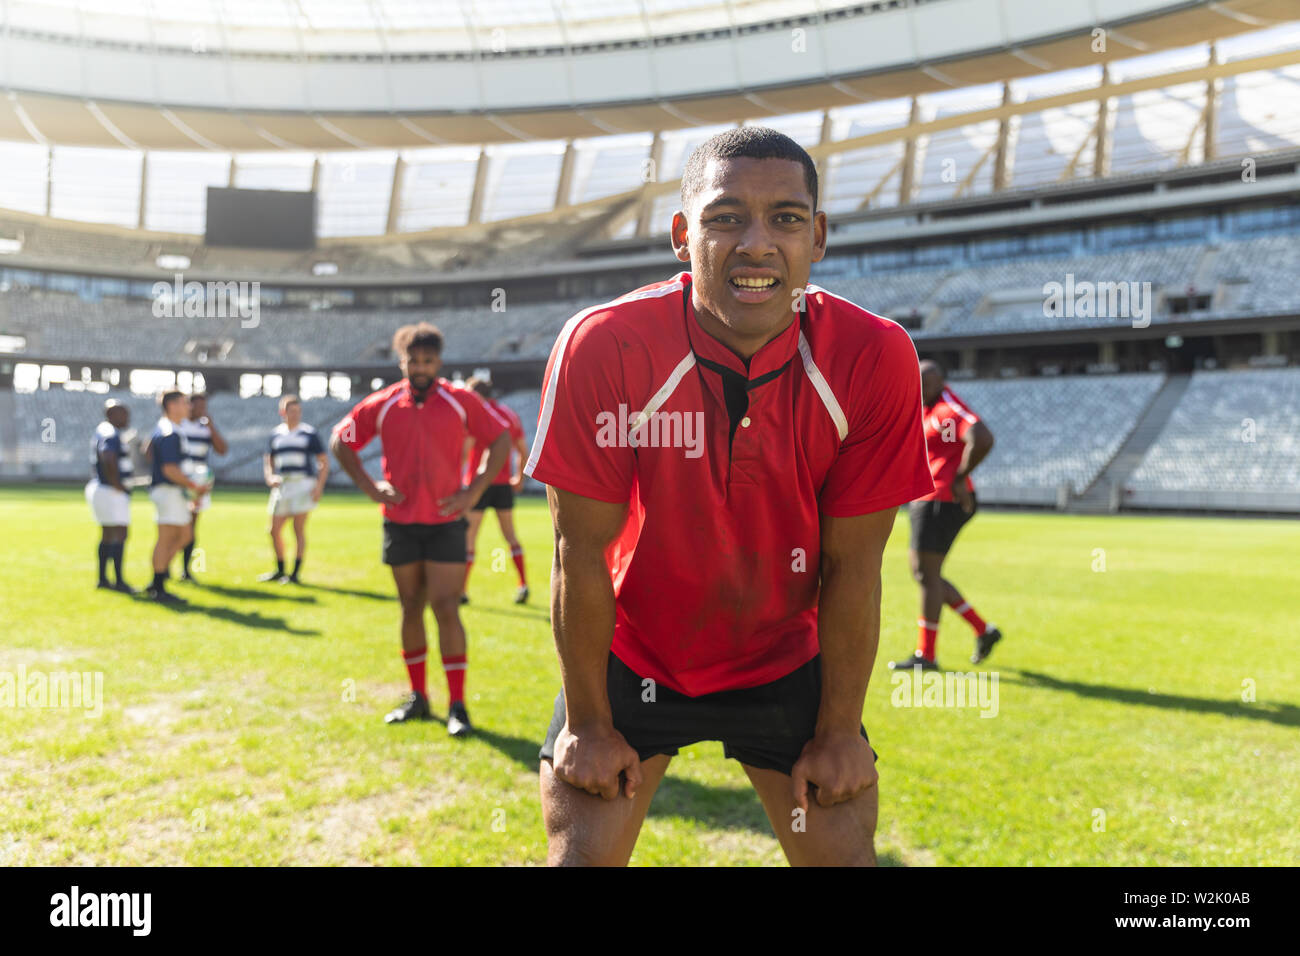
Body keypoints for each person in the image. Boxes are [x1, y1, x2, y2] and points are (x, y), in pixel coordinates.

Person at [526, 127, 933, 866]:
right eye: (725, 218)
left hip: (785, 656)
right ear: (683, 236)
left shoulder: (875, 354)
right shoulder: (605, 343)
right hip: (635, 652)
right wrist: (587, 723)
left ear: (818, 236)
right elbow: (577, 552)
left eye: (784, 218)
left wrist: (841, 730)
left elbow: (853, 567)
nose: (756, 243)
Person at [331, 324, 510, 735]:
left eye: (428, 361)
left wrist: (473, 491)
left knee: (447, 608)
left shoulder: (460, 400)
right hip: (401, 523)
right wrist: (370, 487)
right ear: (403, 362)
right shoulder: (385, 403)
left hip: (447, 523)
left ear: (439, 363)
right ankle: (418, 697)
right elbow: (341, 441)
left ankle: (458, 705)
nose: (421, 368)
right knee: (410, 606)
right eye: (413, 361)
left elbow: (499, 440)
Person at [890, 360, 1001, 671]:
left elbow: (982, 437)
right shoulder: (926, 408)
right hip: (931, 497)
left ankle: (927, 656)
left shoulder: (948, 406)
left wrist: (958, 478)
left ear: (940, 382)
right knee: (927, 575)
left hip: (943, 498)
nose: (919, 386)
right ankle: (983, 629)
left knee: (926, 575)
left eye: (925, 381)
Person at [461, 377, 530, 605]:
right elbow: (522, 450)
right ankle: (523, 584)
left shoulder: (475, 414)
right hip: (502, 484)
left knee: (469, 539)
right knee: (510, 536)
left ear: (476, 395)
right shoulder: (509, 414)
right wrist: (519, 477)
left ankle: (461, 591)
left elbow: (466, 449)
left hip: (478, 484)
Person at [145, 391, 211, 604]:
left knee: (184, 535)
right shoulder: (169, 431)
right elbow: (170, 469)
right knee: (167, 537)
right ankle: (158, 585)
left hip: (173, 492)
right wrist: (194, 486)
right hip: (169, 491)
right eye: (184, 403)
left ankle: (159, 576)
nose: (189, 407)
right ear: (172, 406)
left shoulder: (172, 429)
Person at [257, 395, 328, 584]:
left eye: (298, 411)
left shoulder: (309, 433)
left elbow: (323, 462)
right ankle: (280, 569)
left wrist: (318, 486)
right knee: (273, 530)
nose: (295, 415)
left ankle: (294, 573)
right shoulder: (276, 434)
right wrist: (270, 476)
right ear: (283, 413)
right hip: (283, 485)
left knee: (298, 530)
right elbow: (268, 459)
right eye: (291, 411)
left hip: (303, 484)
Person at [176, 392, 227, 583]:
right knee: (175, 525)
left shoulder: (206, 428)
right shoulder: (178, 425)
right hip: (180, 479)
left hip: (198, 483)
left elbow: (222, 450)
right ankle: (164, 567)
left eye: (204, 407)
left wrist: (211, 427)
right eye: (198, 406)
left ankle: (186, 569)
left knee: (191, 526)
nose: (201, 411)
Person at [86, 399, 136, 593]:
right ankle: (119, 581)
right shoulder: (110, 432)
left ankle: (103, 579)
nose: (127, 417)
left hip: (102, 489)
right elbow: (108, 455)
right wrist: (117, 484)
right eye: (123, 413)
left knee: (107, 534)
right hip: (110, 490)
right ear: (111, 414)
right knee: (120, 533)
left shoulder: (104, 430)